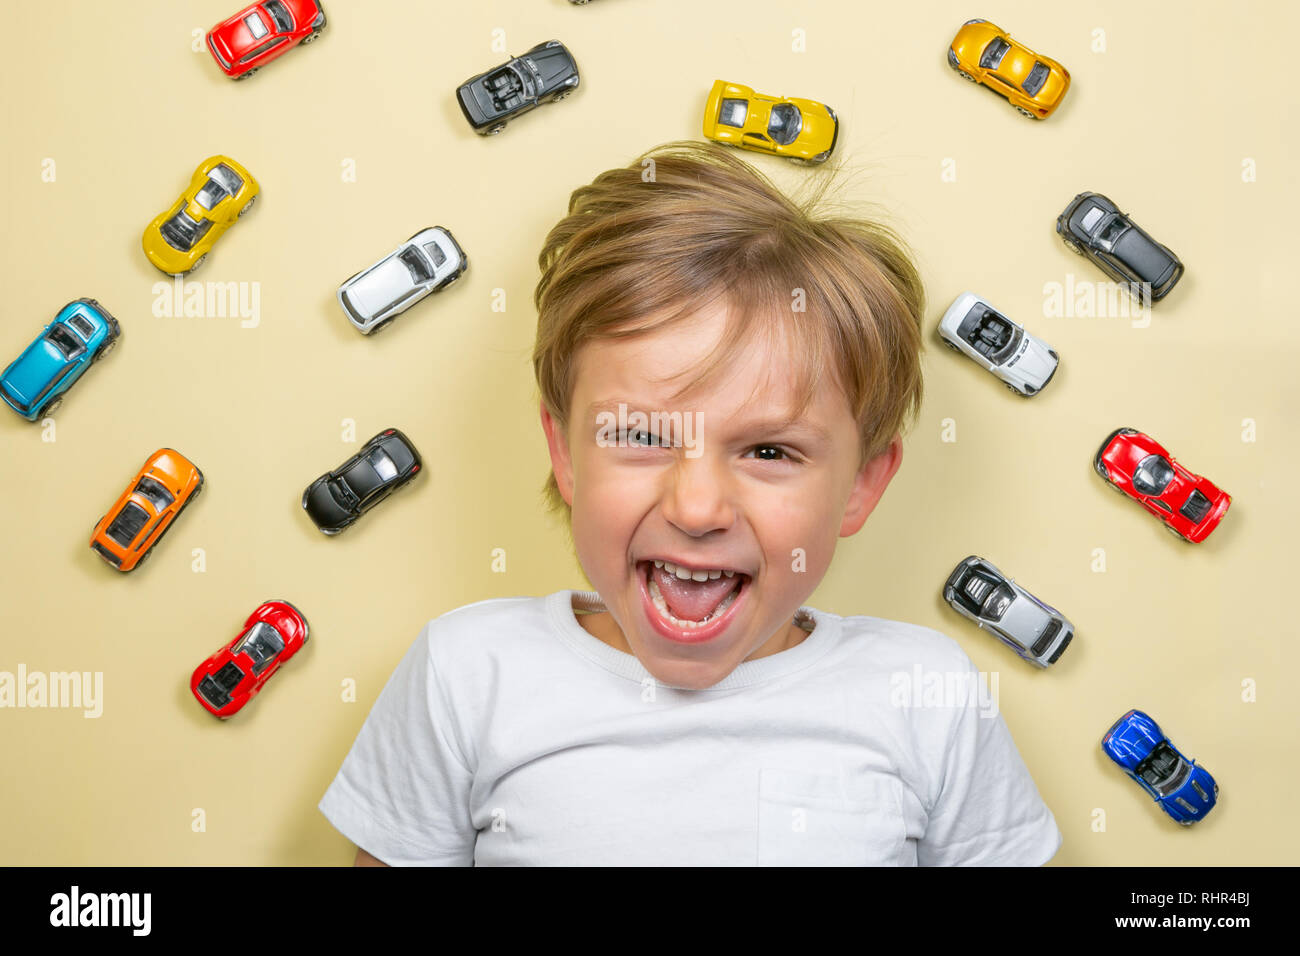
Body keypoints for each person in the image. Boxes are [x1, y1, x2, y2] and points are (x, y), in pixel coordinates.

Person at [318, 141, 1061, 866]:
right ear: (564, 452)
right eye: (642, 435)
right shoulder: (466, 673)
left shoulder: (926, 694)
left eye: (770, 451)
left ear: (862, 484)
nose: (699, 506)